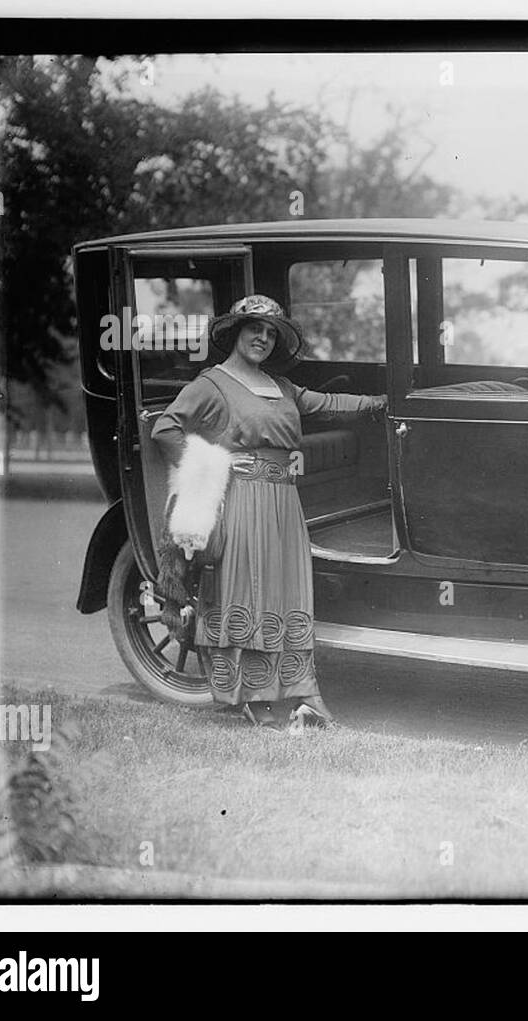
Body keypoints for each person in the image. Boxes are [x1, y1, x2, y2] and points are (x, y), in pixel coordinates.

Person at [151, 295, 385, 728]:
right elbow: (166, 427)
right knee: (246, 595)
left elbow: (329, 405)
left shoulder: (282, 387)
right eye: (254, 328)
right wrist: (212, 464)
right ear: (235, 333)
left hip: (283, 503)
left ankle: (302, 695)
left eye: (270, 332)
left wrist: (383, 402)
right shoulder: (212, 384)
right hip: (241, 501)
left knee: (285, 596)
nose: (262, 337)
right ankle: (252, 698)